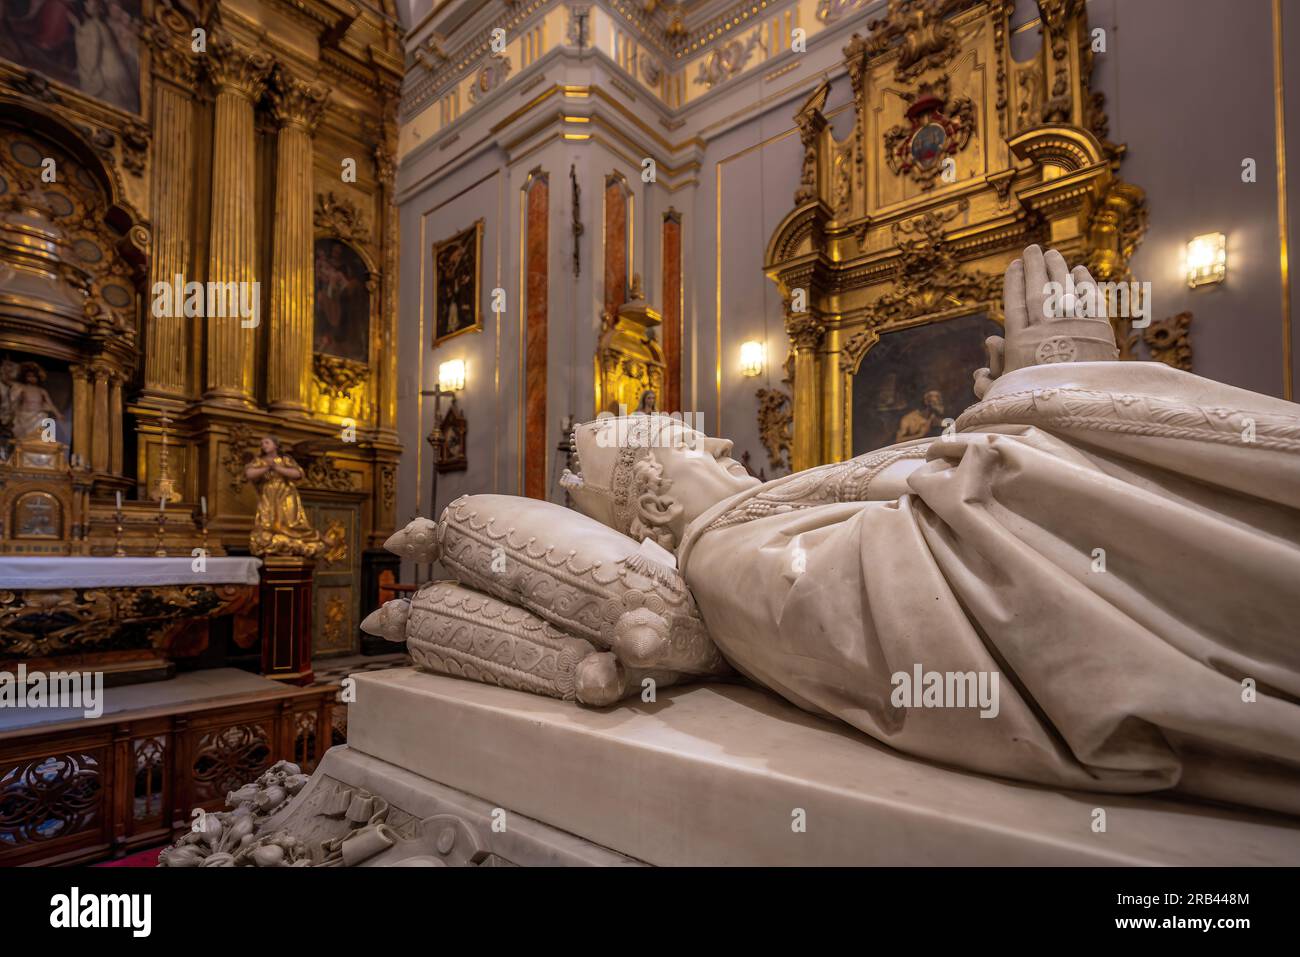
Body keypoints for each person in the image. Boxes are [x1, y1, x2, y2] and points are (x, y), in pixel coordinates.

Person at [562, 244, 1300, 817]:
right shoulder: (725, 559)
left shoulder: (759, 516)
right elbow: (946, 607)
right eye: (678, 438)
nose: (720, 441)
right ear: (656, 510)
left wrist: (1007, 417)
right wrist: (1053, 388)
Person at [245, 437, 324, 558]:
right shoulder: (259, 461)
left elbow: (298, 473)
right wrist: (267, 467)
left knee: (288, 520)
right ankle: (270, 541)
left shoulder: (285, 459)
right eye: (262, 444)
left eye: (267, 443)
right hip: (268, 494)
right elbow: (249, 474)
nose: (263, 445)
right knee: (267, 521)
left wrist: (277, 467)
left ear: (276, 445)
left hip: (286, 494)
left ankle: (295, 539)